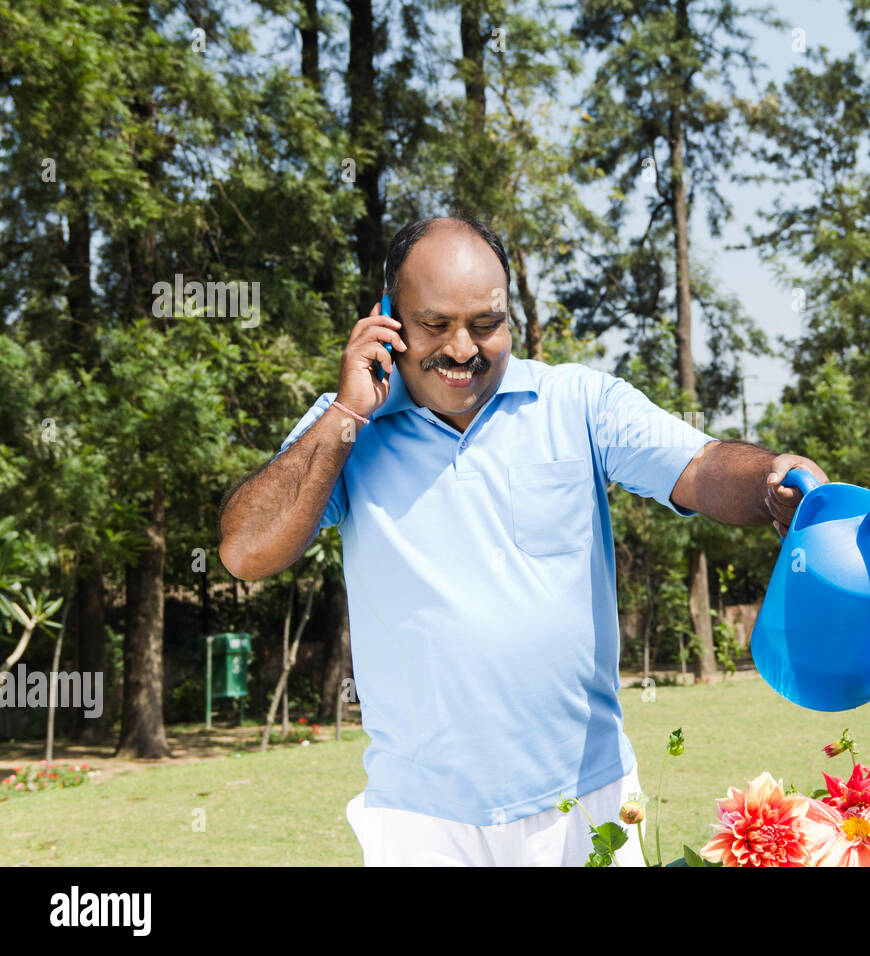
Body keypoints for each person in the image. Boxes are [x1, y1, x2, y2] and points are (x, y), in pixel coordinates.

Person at [217, 215, 829, 866]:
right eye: (435, 324)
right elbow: (245, 552)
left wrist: (767, 480)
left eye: (485, 323)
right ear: (388, 320)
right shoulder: (348, 428)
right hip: (422, 825)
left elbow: (701, 468)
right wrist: (345, 413)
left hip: (590, 802)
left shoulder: (580, 404)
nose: (461, 348)